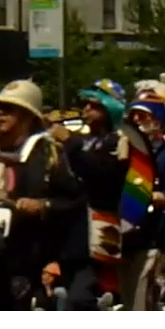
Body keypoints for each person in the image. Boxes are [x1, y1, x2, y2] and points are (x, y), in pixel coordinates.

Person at [0, 80, 85, 311]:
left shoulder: (47, 152)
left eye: (8, 109)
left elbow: (74, 201)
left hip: (24, 257)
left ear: (29, 116)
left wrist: (42, 205)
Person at [120, 74, 165, 311]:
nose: (137, 120)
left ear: (157, 120)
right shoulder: (125, 148)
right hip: (124, 236)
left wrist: (161, 197)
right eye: (134, 115)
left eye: (144, 115)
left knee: (141, 300)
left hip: (152, 236)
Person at [61, 78, 129, 311]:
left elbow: (103, 173)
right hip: (72, 228)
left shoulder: (119, 141)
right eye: (85, 105)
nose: (86, 110)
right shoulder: (80, 140)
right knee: (70, 290)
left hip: (100, 226)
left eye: (94, 105)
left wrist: (68, 142)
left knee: (80, 297)